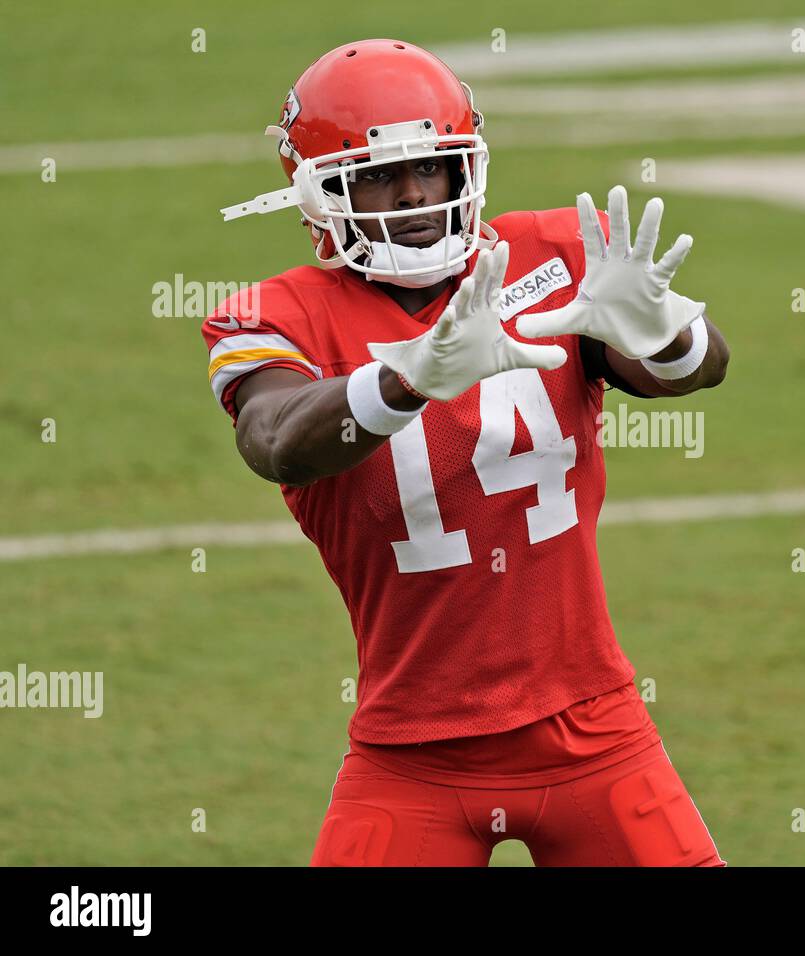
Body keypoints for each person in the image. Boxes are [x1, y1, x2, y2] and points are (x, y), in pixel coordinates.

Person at [202, 39, 730, 866]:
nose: (413, 193)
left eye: (430, 167)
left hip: (594, 729)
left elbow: (696, 372)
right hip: (412, 754)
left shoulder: (550, 256)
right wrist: (404, 380)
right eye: (379, 174)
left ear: (466, 168)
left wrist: (666, 333)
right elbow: (275, 442)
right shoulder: (277, 316)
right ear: (319, 192)